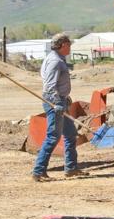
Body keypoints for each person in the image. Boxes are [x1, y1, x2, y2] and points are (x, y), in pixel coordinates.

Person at [32, 33, 89, 182]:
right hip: (54, 102)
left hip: (61, 100)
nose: (70, 47)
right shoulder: (55, 61)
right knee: (52, 137)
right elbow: (49, 86)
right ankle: (38, 171)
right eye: (69, 44)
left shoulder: (55, 58)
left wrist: (64, 98)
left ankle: (71, 168)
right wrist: (57, 102)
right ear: (63, 45)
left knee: (70, 135)